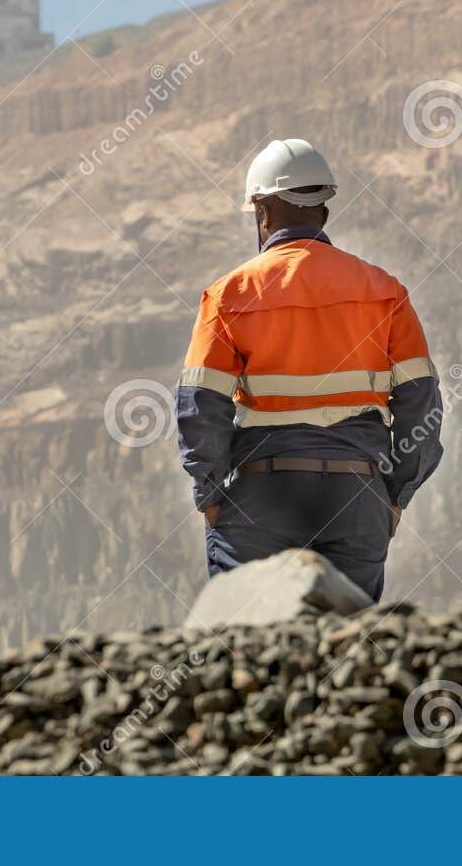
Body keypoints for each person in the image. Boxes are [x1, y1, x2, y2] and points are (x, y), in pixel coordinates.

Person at [174, 138, 444, 600]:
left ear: (262, 212)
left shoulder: (229, 296)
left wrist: (211, 494)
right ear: (323, 210)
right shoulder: (383, 291)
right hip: (357, 495)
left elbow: (200, 409)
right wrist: (395, 495)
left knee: (251, 646)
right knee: (348, 649)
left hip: (263, 495)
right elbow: (422, 408)